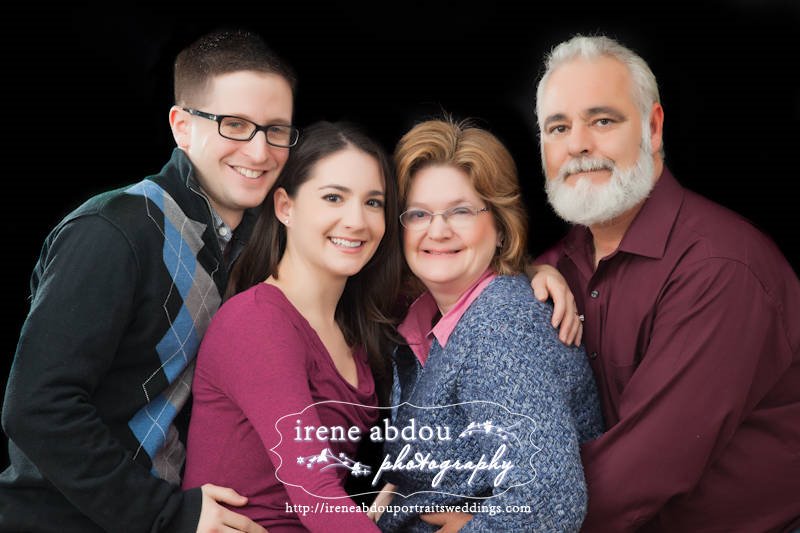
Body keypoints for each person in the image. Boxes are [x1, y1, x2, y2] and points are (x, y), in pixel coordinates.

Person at [0, 29, 297, 532]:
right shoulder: (115, 229)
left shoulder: (253, 245)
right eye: (235, 124)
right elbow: (37, 408)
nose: (260, 150)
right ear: (182, 126)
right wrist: (166, 515)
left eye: (276, 129)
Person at [532, 34, 800, 531]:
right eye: (558, 127)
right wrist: (523, 272)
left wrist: (499, 517)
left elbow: (644, 469)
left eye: (602, 120)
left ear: (653, 129)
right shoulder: (564, 261)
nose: (577, 144)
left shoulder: (720, 267)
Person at [375, 118, 604, 532]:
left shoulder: (503, 325)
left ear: (500, 226)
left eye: (460, 211)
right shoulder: (431, 317)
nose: (438, 230)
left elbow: (548, 500)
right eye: (418, 213)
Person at [182, 121, 404, 532]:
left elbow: (452, 280)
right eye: (334, 197)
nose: (356, 220)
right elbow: (316, 493)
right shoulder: (258, 322)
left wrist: (532, 272)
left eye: (373, 203)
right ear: (285, 207)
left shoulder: (352, 325)